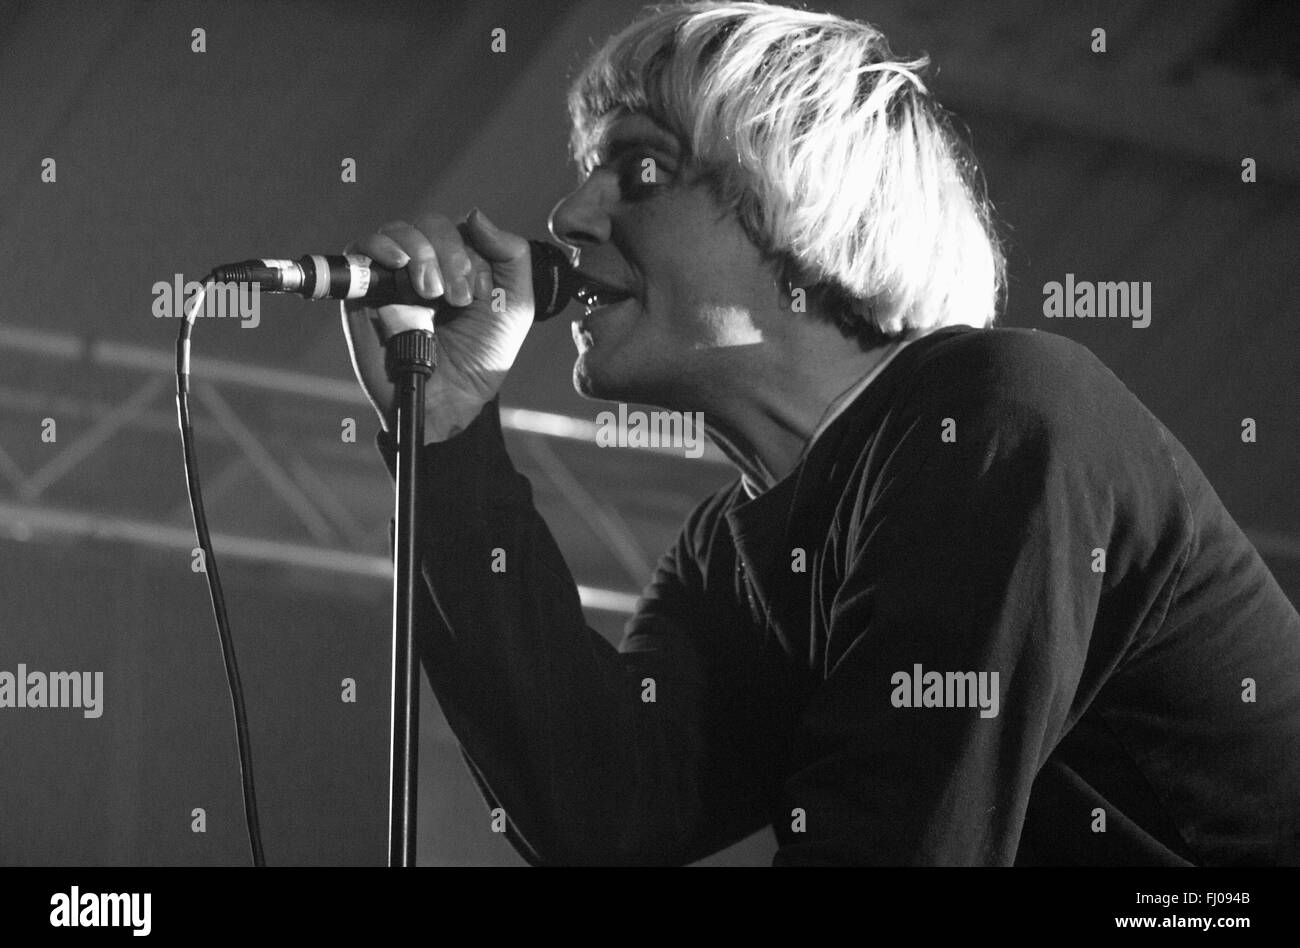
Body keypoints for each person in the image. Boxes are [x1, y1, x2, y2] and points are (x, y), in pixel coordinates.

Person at [340, 1, 1300, 865]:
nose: (569, 214)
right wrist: (445, 433)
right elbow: (604, 815)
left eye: (640, 168)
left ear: (798, 199)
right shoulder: (729, 550)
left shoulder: (999, 415)